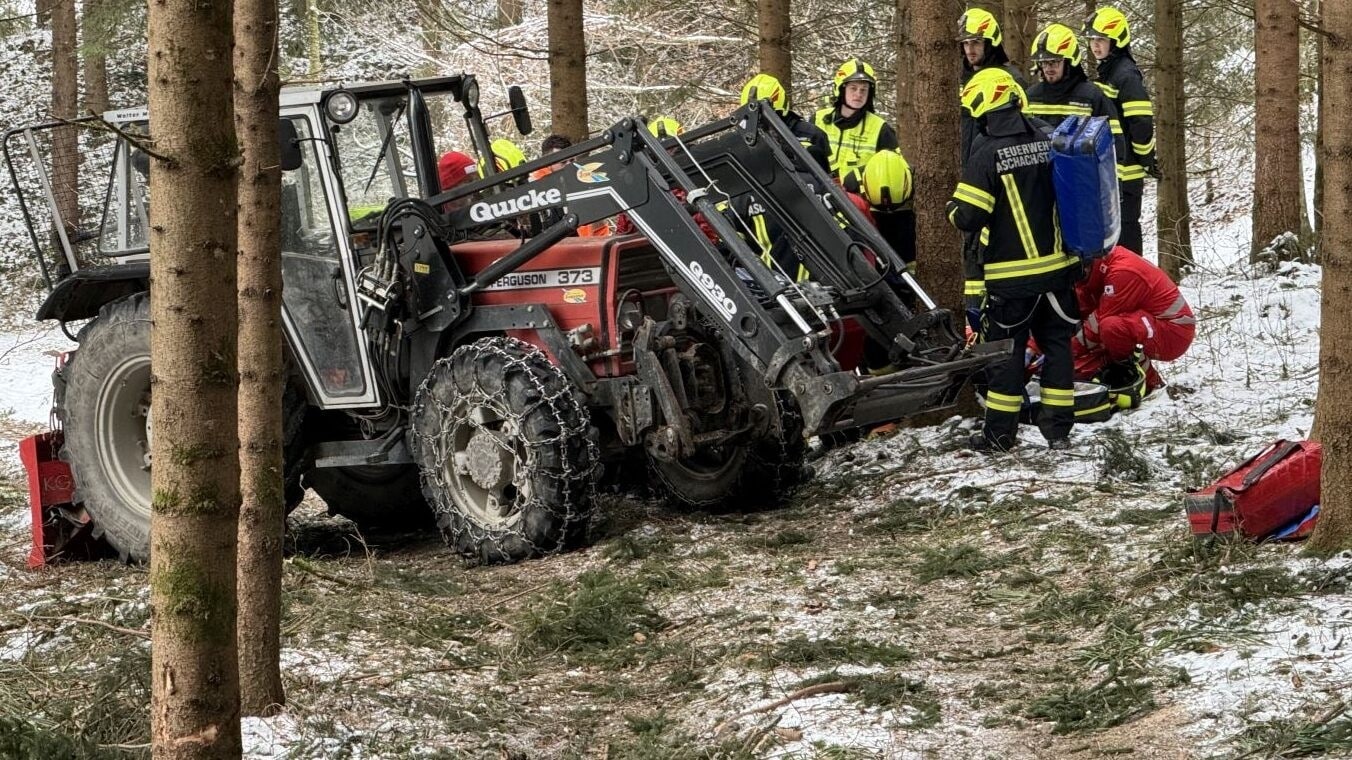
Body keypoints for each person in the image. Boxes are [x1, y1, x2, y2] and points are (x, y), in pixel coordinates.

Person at [947, 67, 1080, 452]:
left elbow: (968, 217)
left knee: (1006, 355)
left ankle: (1000, 436)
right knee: (1056, 347)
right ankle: (1058, 430)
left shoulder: (986, 153)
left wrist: (951, 208)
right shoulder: (1047, 138)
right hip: (1057, 272)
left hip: (1012, 278)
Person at [1084, 6, 1156, 255]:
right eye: (1093, 39)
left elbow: (1141, 121)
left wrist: (1145, 157)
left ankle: (1133, 284)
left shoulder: (1124, 74)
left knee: (1126, 232)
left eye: (1101, 39)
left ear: (1116, 40)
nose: (1095, 45)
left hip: (1127, 172)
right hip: (1114, 169)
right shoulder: (1109, 72)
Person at [1073, 244, 1194, 388]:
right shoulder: (1099, 265)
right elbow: (1079, 307)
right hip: (1146, 321)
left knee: (1111, 328)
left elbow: (1097, 325)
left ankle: (1151, 384)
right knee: (1085, 364)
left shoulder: (1121, 271)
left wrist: (1067, 350)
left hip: (1173, 330)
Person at [1025, 21, 1126, 166]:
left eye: (1054, 61)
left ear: (1069, 62)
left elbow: (1115, 142)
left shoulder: (1091, 96)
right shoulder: (1031, 97)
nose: (1048, 68)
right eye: (1044, 62)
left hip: (1079, 178)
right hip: (1041, 179)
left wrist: (1111, 183)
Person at [958, 8, 1030, 165]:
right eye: (965, 43)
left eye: (976, 42)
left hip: (995, 164)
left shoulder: (1010, 79)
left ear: (991, 43)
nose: (970, 50)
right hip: (961, 165)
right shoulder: (957, 80)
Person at [813, 59, 899, 180]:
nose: (859, 94)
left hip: (858, 197)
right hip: (815, 194)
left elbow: (893, 171)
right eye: (853, 88)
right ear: (841, 89)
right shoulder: (818, 120)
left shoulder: (881, 129)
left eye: (864, 89)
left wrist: (856, 182)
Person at [740, 73, 831, 173]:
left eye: (764, 116)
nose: (760, 122)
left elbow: (833, 180)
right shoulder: (745, 141)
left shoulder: (811, 134)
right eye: (754, 117)